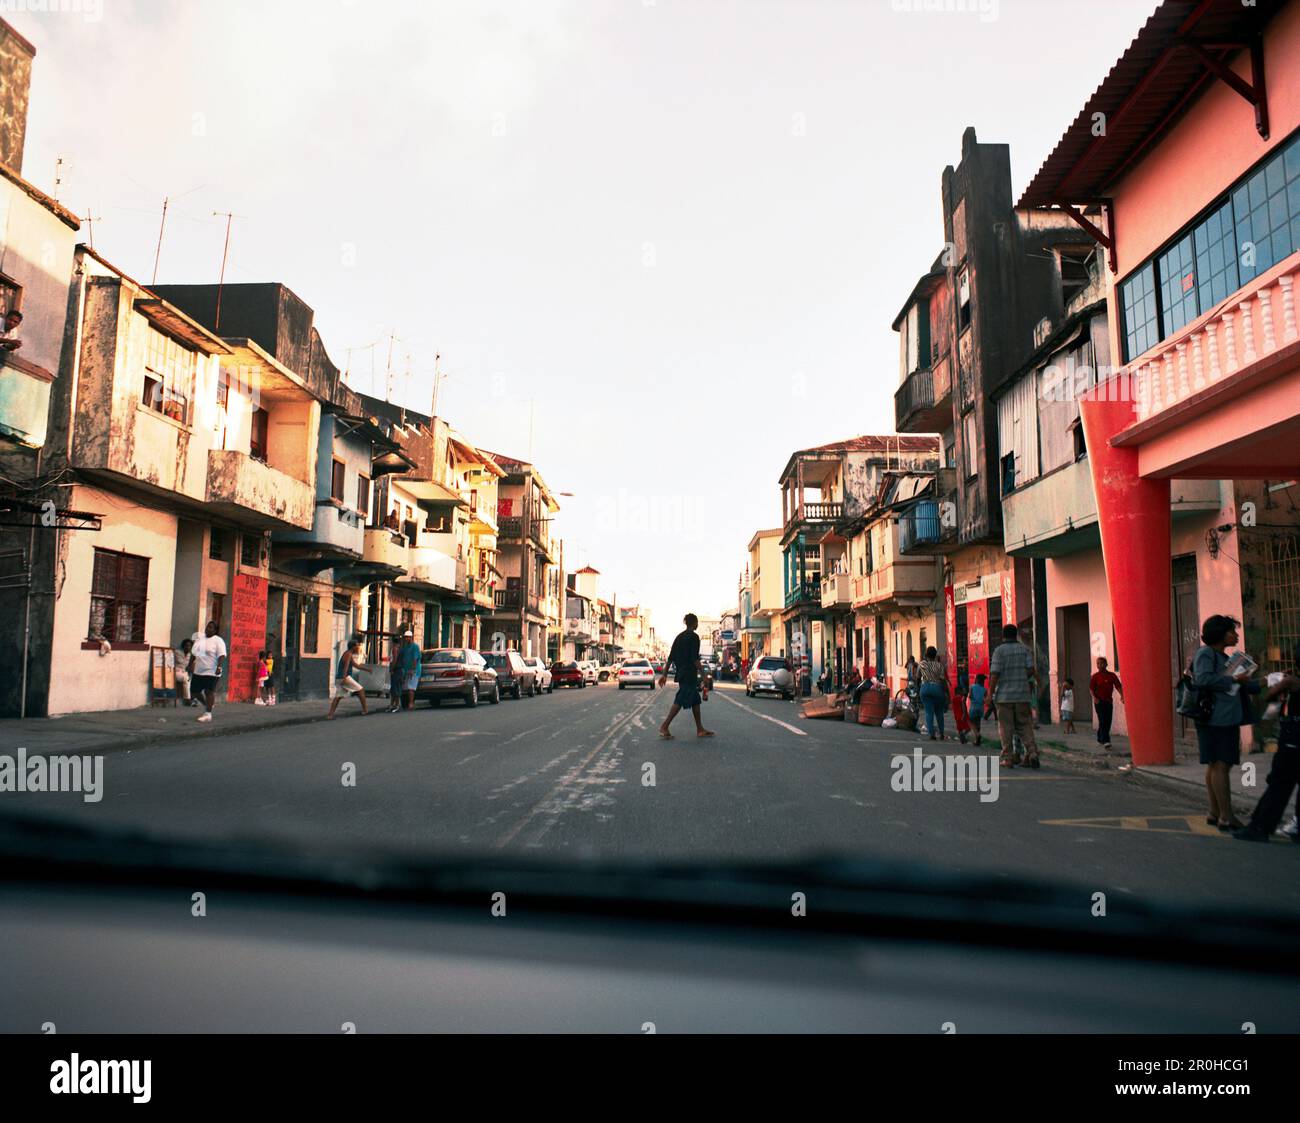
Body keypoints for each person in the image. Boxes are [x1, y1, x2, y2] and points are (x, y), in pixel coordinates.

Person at [1191, 614, 1260, 831]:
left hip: (1224, 717)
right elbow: (1202, 679)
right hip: (1216, 718)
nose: (1236, 635)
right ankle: (1226, 816)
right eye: (1232, 631)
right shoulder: (1206, 653)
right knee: (1221, 765)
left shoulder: (1222, 657)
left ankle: (1215, 812)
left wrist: (1267, 682)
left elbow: (1238, 684)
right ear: (1220, 634)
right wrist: (1233, 679)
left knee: (1217, 765)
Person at [1235, 641, 1300, 843]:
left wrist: (1282, 682)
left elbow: (1269, 696)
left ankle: (1261, 826)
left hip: (1293, 738)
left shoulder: (1292, 682)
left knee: (1279, 783)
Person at [986, 623, 1039, 768]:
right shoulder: (1024, 650)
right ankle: (1032, 752)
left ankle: (1007, 758)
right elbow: (1031, 670)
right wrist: (1020, 675)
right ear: (1015, 635)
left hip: (1004, 696)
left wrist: (990, 694)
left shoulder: (999, 651)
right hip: (1022, 694)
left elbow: (995, 674)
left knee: (1005, 727)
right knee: (1024, 725)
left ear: (1003, 635)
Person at [658, 613, 714, 740]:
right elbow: (695, 659)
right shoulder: (694, 637)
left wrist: (664, 675)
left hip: (681, 673)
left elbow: (670, 658)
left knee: (695, 700)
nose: (697, 624)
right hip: (689, 673)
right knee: (680, 699)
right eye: (697, 622)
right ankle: (664, 726)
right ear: (694, 623)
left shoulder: (679, 637)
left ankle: (700, 729)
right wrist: (704, 675)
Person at [188, 620, 227, 724]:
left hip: (212, 670)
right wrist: (189, 664)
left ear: (215, 630)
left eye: (211, 628)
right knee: (194, 691)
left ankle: (208, 714)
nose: (208, 629)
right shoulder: (200, 639)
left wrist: (219, 666)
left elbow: (222, 655)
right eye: (207, 627)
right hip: (199, 670)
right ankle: (207, 704)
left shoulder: (218, 640)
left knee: (209, 691)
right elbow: (194, 653)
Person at [328, 639, 370, 719]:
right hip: (344, 678)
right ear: (353, 647)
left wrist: (367, 669)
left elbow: (356, 665)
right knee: (361, 690)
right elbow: (346, 666)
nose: (358, 647)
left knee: (338, 697)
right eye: (357, 646)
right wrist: (344, 678)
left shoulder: (348, 653)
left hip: (341, 678)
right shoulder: (349, 654)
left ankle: (330, 715)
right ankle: (365, 710)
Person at [1089, 657, 1124, 748]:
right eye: (1098, 663)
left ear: (1106, 664)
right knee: (1102, 720)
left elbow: (1118, 686)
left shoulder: (1111, 676)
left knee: (1108, 721)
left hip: (1108, 701)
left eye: (1101, 663)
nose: (1100, 665)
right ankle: (1106, 741)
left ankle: (1100, 738)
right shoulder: (1095, 676)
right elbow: (1091, 689)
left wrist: (1122, 695)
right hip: (1099, 701)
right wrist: (1094, 698)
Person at [918, 646, 948, 742]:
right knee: (939, 712)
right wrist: (947, 693)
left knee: (928, 712)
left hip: (925, 688)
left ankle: (932, 734)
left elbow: (917, 677)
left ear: (926, 655)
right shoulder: (940, 666)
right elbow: (943, 681)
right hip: (937, 688)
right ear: (935, 655)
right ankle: (942, 734)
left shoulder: (922, 664)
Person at [396, 629, 422, 710]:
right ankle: (407, 703)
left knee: (411, 688)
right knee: (406, 687)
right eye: (405, 637)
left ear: (411, 637)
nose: (407, 639)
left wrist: (412, 669)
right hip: (406, 670)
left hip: (413, 671)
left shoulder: (415, 647)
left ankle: (411, 703)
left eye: (408, 637)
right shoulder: (405, 648)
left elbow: (415, 659)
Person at [951, 675, 972, 745]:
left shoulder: (953, 699)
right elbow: (963, 706)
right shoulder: (962, 698)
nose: (963, 692)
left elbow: (952, 707)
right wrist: (965, 714)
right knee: (968, 728)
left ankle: (962, 740)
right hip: (962, 715)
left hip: (956, 716)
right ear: (959, 691)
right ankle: (963, 735)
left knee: (959, 728)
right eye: (962, 691)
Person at [174, 637, 195, 706]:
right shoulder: (177, 652)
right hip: (176, 672)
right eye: (187, 645)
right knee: (186, 679)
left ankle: (193, 699)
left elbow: (191, 666)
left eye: (190, 646)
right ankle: (188, 700)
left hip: (184, 673)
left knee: (189, 680)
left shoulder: (190, 655)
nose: (188, 647)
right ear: (183, 646)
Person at [968, 673, 987, 747]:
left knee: (970, 722)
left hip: (973, 707)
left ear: (976, 680)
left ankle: (977, 734)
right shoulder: (984, 689)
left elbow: (970, 696)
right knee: (978, 723)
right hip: (980, 708)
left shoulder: (972, 687)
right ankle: (977, 740)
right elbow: (985, 699)